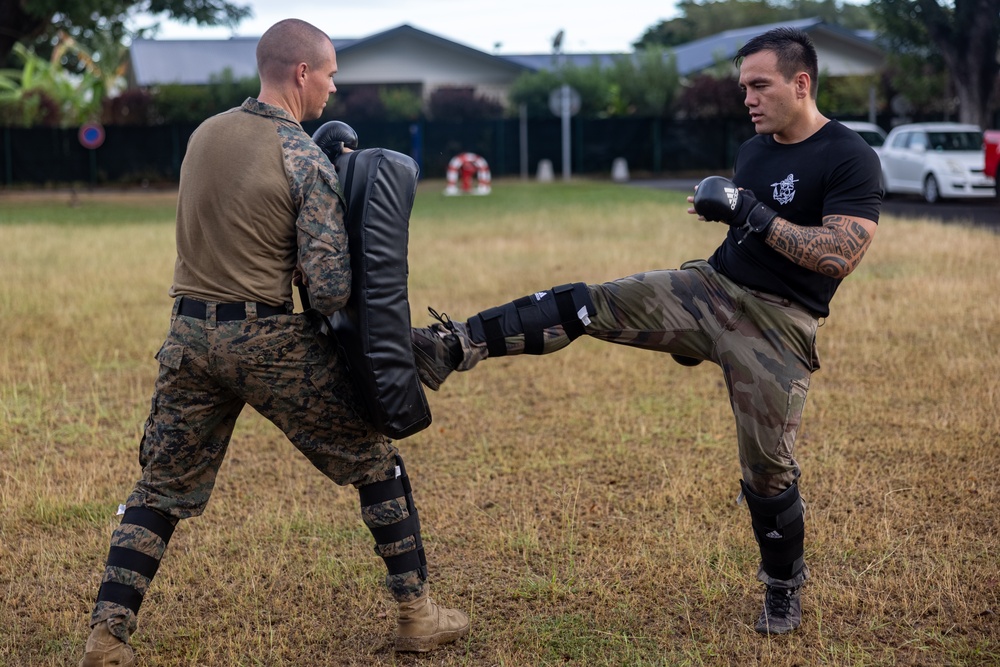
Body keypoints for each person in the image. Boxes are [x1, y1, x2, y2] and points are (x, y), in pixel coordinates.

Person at [411, 27, 881, 636]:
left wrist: (753, 213)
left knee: (768, 468)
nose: (748, 98)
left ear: (801, 83)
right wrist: (706, 277)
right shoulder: (755, 149)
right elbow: (745, 235)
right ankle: (450, 346)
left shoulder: (849, 155)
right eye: (743, 87)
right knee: (588, 302)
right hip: (712, 288)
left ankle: (783, 587)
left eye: (759, 85)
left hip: (780, 322)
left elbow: (837, 256)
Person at [79, 18, 468, 666]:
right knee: (375, 458)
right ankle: (417, 615)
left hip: (188, 334)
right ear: (300, 73)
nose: (333, 89)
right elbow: (329, 290)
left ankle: (106, 637)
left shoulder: (204, 135)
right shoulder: (302, 155)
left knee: (158, 489)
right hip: (262, 339)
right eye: (331, 74)